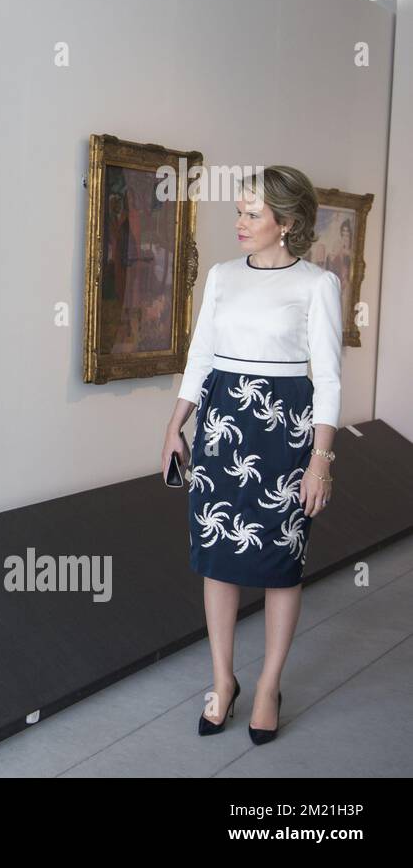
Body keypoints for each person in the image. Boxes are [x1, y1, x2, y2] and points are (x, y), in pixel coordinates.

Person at [162, 165, 342, 745]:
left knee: (280, 565)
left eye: (251, 214)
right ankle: (222, 681)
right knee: (218, 557)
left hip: (285, 431)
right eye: (238, 211)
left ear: (285, 224)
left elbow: (330, 380)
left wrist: (321, 458)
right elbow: (200, 357)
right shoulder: (220, 276)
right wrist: (175, 427)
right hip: (221, 427)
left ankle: (267, 685)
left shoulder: (317, 285)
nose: (238, 222)